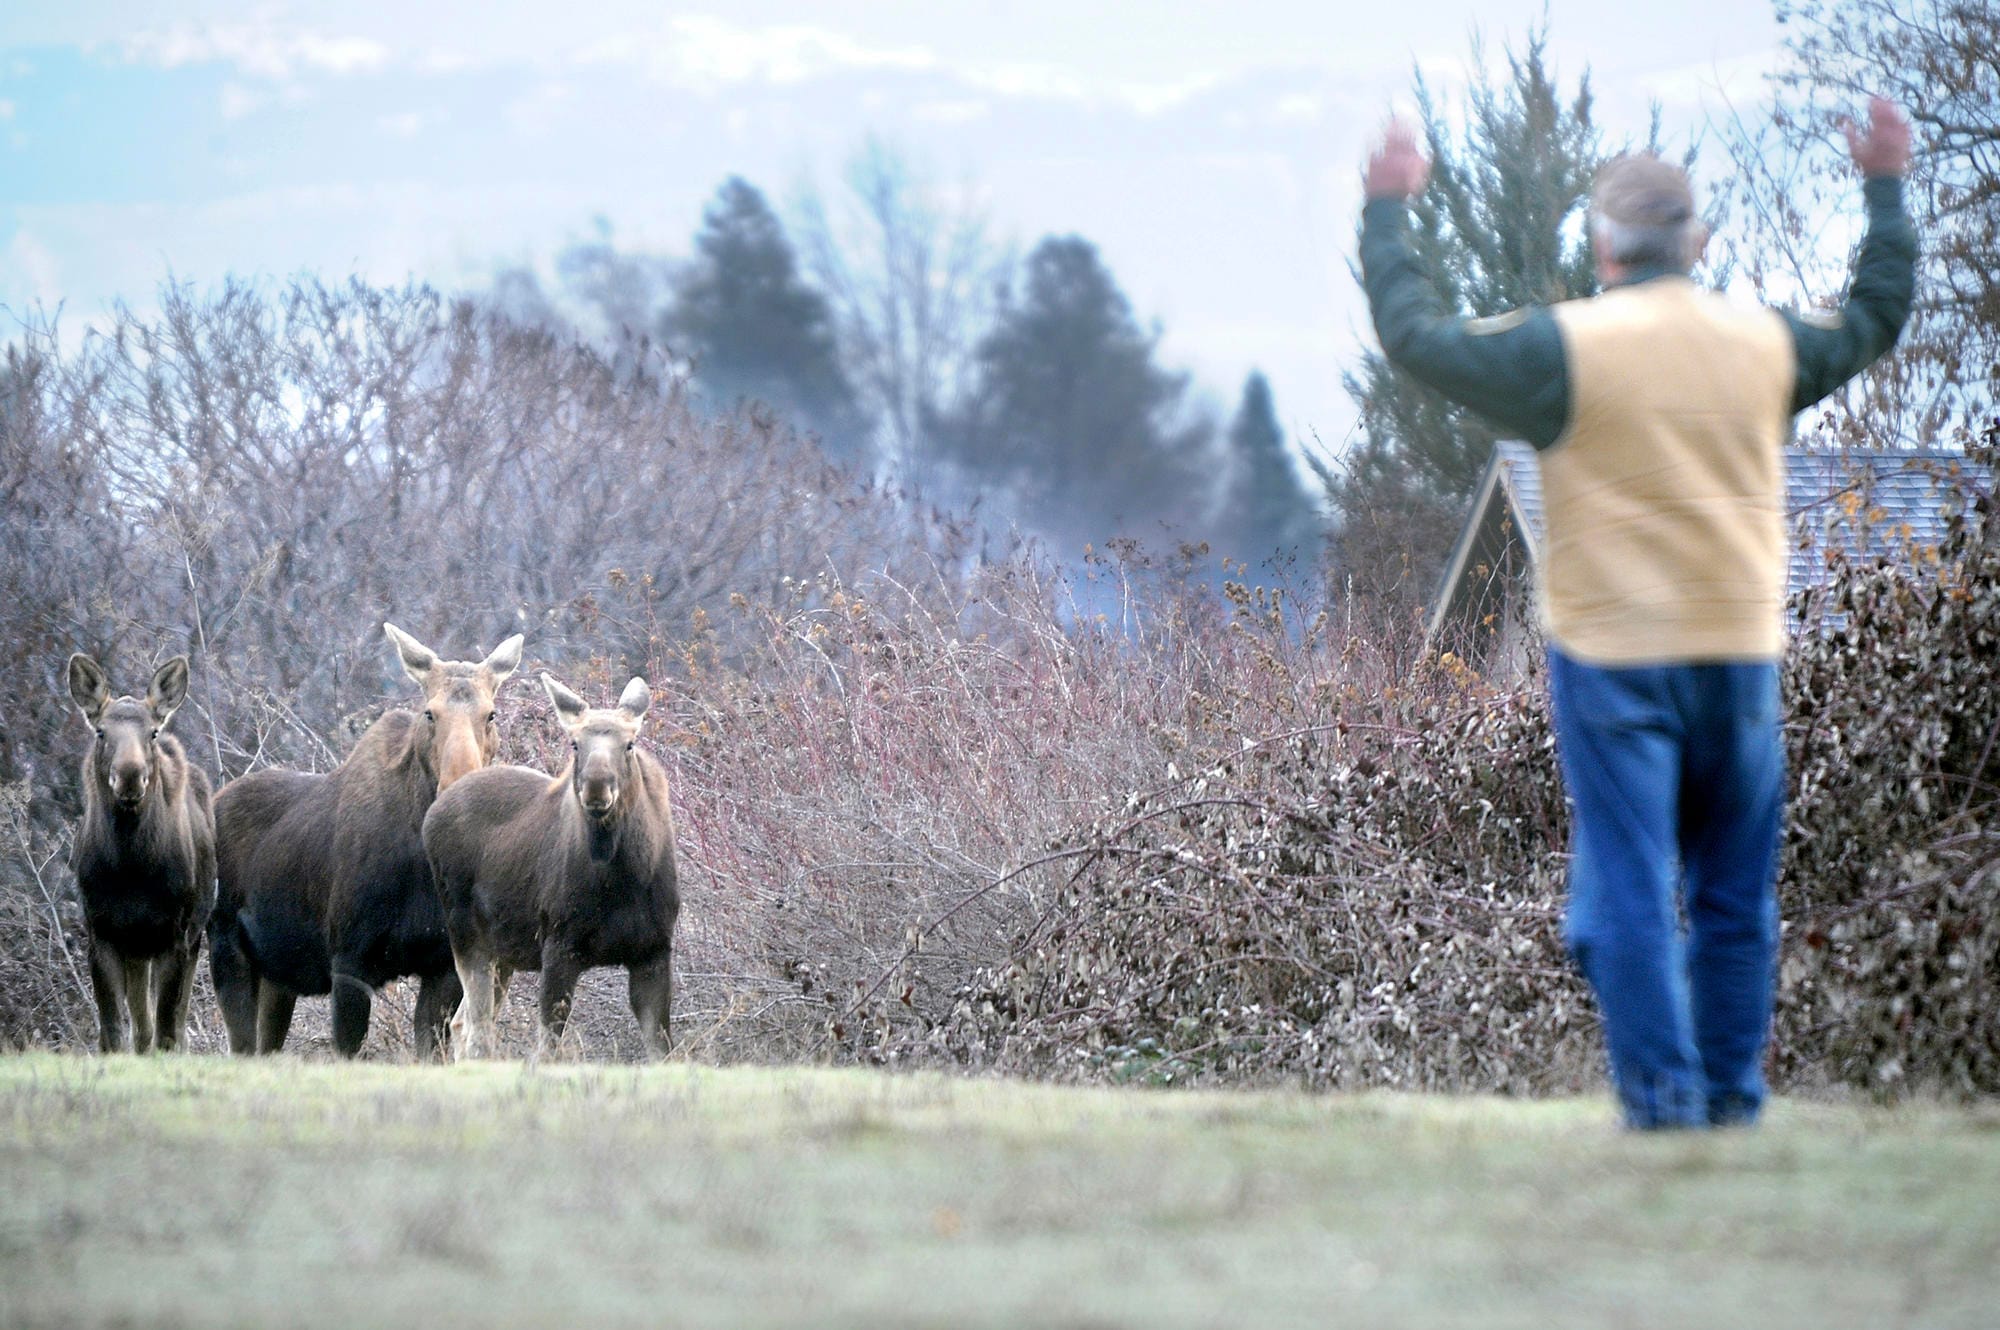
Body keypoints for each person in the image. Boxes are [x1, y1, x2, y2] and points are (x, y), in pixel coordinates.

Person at [1358, 100, 1917, 1128]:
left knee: (1625, 885)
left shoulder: (1565, 348)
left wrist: (1388, 211)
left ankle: (1661, 1103)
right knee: (1732, 899)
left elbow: (1416, 339)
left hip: (1613, 658)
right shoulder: (1762, 345)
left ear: (1601, 245)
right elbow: (1873, 318)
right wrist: (1883, 189)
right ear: (1696, 243)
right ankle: (1730, 1101)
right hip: (1739, 656)